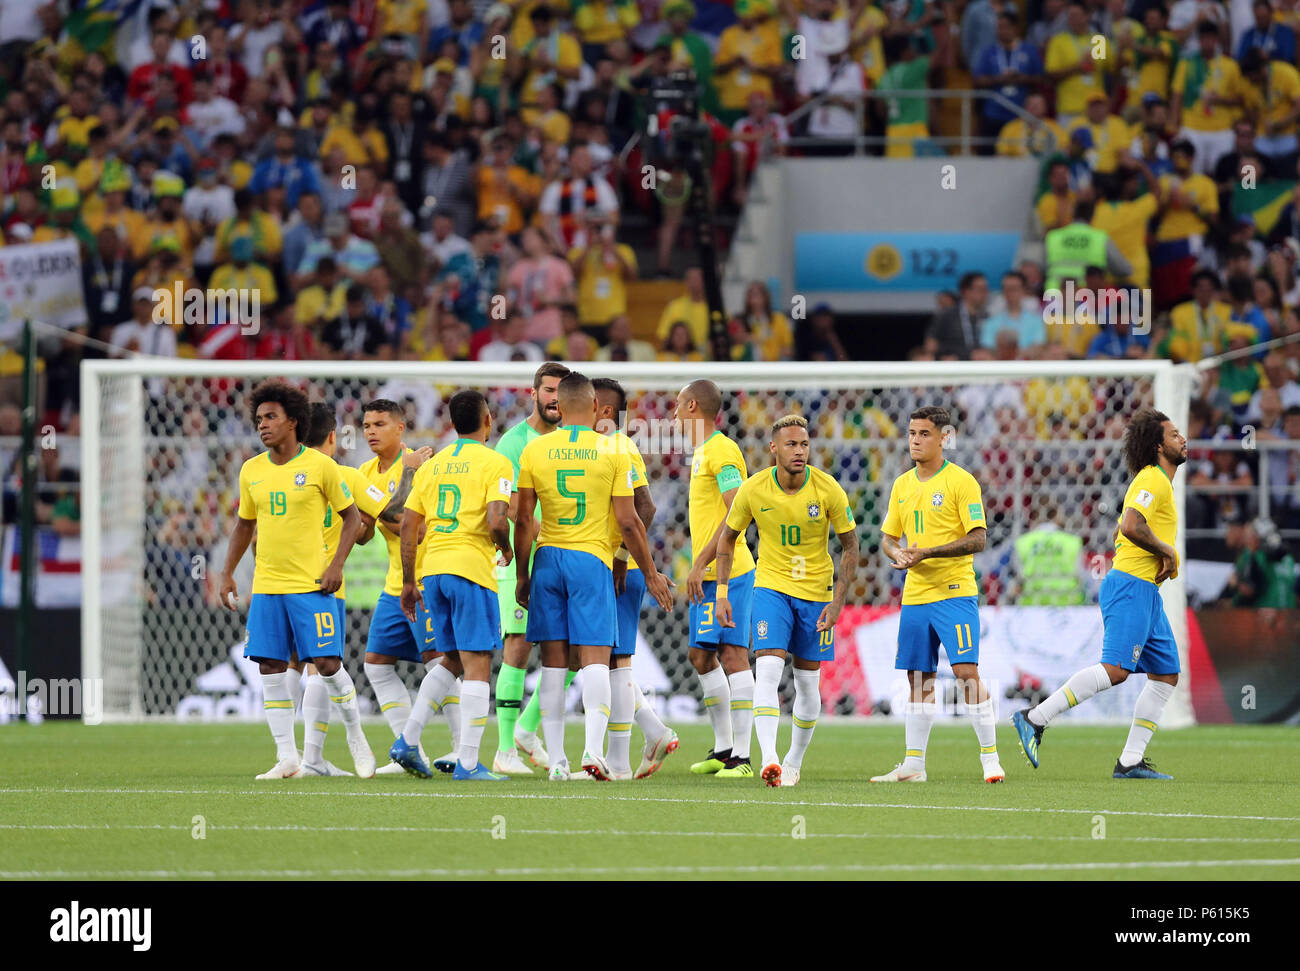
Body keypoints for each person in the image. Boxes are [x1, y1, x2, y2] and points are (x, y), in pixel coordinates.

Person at [513, 372, 675, 780]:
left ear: (559, 407)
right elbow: (630, 520)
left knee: (553, 665)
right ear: (595, 407)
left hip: (547, 559)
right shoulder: (613, 451)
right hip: (591, 560)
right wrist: (650, 572)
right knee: (597, 660)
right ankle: (593, 751)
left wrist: (522, 574)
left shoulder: (534, 451)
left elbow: (523, 520)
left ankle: (558, 763)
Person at [1013, 409, 1189, 779]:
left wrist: (1157, 551)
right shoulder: (1153, 479)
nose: (1182, 439)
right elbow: (1131, 524)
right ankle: (1035, 717)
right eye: (1174, 435)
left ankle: (1130, 761)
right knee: (1116, 670)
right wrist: (1167, 551)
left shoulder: (1157, 483)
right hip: (1130, 586)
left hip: (1146, 591)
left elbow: (1123, 527)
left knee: (1166, 675)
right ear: (1159, 446)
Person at [217, 380, 373, 780]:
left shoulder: (320, 466)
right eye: (259, 419)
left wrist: (336, 565)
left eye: (271, 417)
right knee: (271, 666)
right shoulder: (251, 470)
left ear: (292, 422)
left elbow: (353, 518)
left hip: (311, 585)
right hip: (268, 587)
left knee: (326, 663)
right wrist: (227, 572)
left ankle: (355, 734)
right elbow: (244, 525)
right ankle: (287, 756)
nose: (262, 425)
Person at [711, 414, 858, 787]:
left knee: (807, 684)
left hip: (816, 595)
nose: (799, 451)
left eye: (804, 444)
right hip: (771, 589)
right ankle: (769, 759)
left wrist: (838, 601)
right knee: (768, 670)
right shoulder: (754, 489)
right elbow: (727, 538)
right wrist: (722, 592)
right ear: (773, 448)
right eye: (791, 444)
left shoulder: (828, 489)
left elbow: (851, 545)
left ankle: (793, 760)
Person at [390, 390, 516, 781]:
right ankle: (468, 763)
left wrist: (408, 581)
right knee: (478, 663)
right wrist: (506, 548)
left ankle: (408, 740)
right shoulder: (496, 462)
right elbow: (497, 521)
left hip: (434, 572)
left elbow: (408, 525)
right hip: (470, 569)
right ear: (488, 420)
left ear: (452, 423)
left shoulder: (433, 466)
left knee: (453, 659)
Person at [872, 406, 1001, 784]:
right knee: (918, 677)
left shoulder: (961, 482)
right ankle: (914, 765)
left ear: (944, 438)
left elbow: (979, 538)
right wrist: (897, 553)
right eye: (912, 433)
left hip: (954, 592)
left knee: (965, 672)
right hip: (915, 595)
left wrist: (927, 553)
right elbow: (888, 538)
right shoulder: (901, 485)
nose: (915, 440)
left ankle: (990, 759)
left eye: (924, 434)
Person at [355, 398, 450, 773]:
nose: (371, 432)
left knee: (438, 663)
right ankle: (412, 754)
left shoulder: (420, 466)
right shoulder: (364, 472)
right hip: (394, 584)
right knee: (377, 665)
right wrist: (367, 519)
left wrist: (382, 509)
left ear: (399, 428)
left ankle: (463, 749)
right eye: (366, 425)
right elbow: (364, 533)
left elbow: (416, 529)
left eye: (379, 424)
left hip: (424, 580)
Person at [593, 377, 680, 779]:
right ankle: (652, 732)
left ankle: (619, 761)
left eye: (589, 404)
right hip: (607, 566)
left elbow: (644, 510)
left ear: (604, 410)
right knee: (608, 661)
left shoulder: (617, 447)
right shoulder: (613, 446)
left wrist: (622, 558)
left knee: (615, 663)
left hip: (614, 569)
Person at [296, 402, 389, 776]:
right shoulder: (345, 476)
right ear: (333, 436)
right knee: (322, 665)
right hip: (325, 584)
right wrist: (411, 472)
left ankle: (300, 757)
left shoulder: (284, 475)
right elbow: (390, 510)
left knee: (294, 665)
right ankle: (315, 755)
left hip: (282, 583)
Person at [492, 362, 571, 774]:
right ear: (534, 393)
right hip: (523, 558)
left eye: (561, 391)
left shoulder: (575, 441)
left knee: (574, 650)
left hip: (564, 558)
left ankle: (526, 727)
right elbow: (507, 504)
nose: (555, 398)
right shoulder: (513, 442)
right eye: (548, 390)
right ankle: (505, 749)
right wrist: (543, 534)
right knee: (519, 646)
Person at [680, 379, 759, 778]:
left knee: (732, 655)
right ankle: (724, 748)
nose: (674, 415)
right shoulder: (703, 452)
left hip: (732, 571)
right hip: (707, 574)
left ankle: (742, 758)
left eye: (678, 406)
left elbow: (735, 512)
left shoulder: (723, 450)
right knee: (701, 655)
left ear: (693, 406)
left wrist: (699, 563)